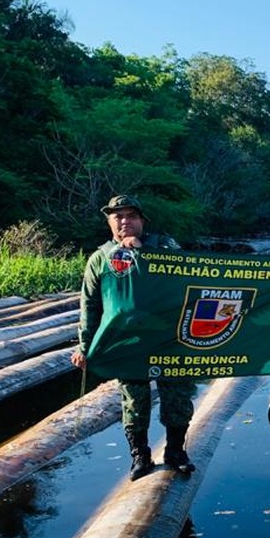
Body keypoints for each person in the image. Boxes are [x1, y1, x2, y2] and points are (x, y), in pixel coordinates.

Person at [72, 195, 196, 480]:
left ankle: (176, 452)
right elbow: (90, 305)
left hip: (169, 340)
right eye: (118, 216)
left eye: (130, 216)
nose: (124, 221)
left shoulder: (165, 247)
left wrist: (142, 254)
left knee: (177, 397)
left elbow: (184, 279)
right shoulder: (100, 258)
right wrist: (84, 346)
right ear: (109, 222)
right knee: (134, 401)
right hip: (129, 345)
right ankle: (140, 457)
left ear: (142, 220)